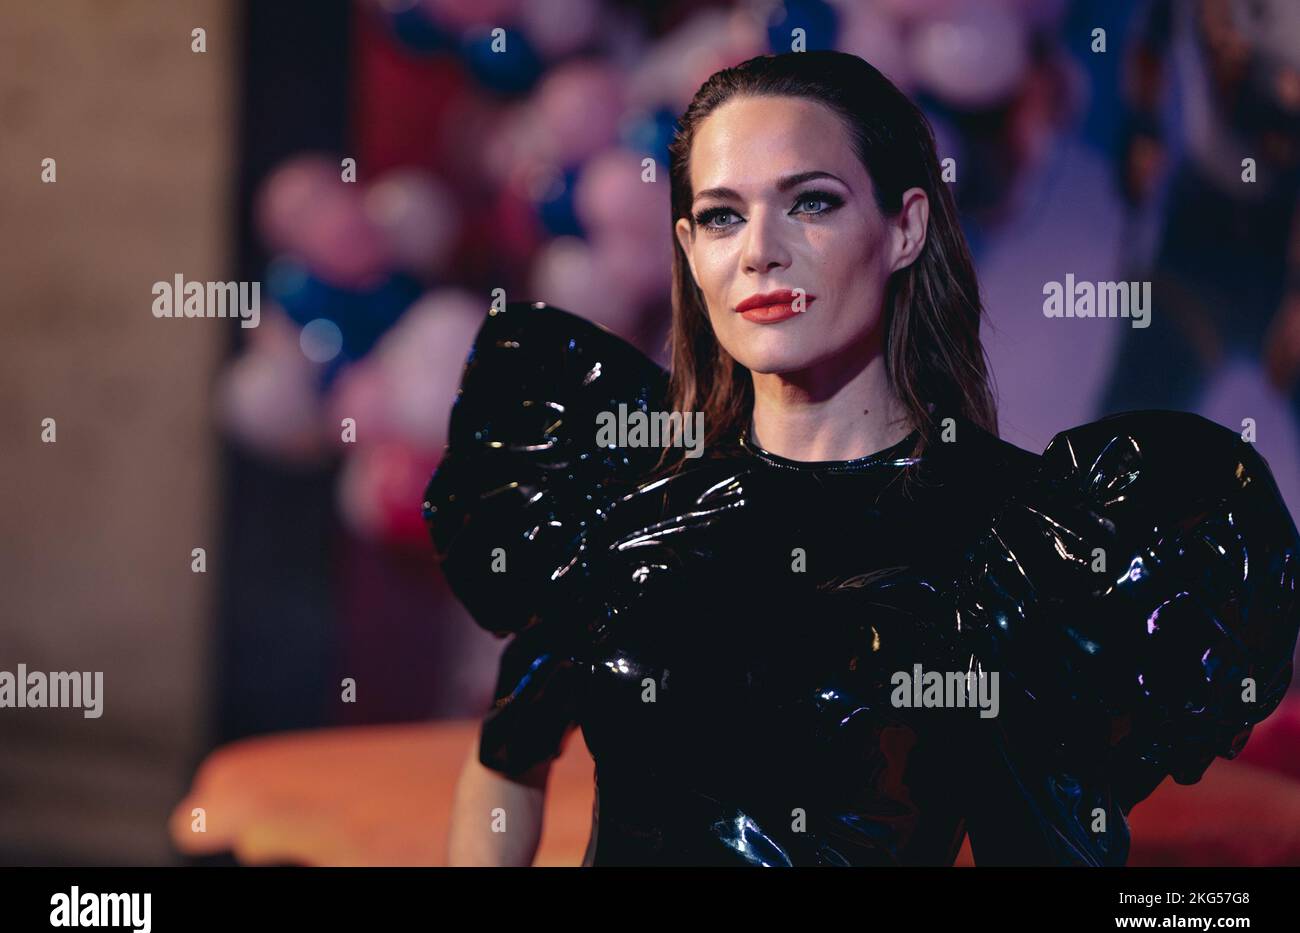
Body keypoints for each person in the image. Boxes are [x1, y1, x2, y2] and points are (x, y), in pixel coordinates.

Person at [426, 51, 1300, 866]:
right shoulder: (622, 490)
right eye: (723, 216)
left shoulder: (1023, 544)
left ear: (905, 228)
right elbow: (506, 760)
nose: (761, 250)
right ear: (691, 254)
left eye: (811, 202)